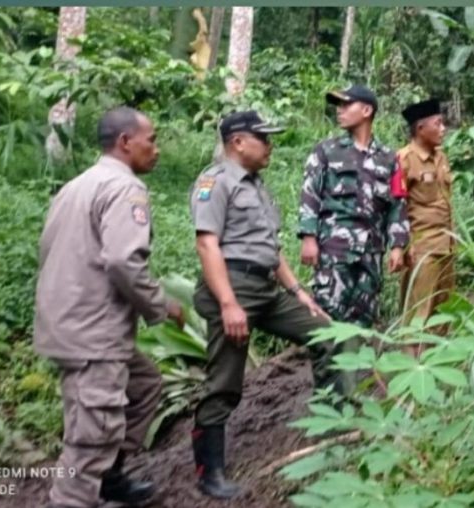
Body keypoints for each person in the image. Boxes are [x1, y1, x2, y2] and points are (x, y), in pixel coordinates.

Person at [34, 106, 185, 508]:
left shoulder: (77, 185)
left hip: (69, 324)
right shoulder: (124, 189)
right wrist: (160, 305)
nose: (156, 149)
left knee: (144, 384)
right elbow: (122, 260)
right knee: (92, 436)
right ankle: (77, 495)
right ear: (125, 143)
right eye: (150, 140)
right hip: (93, 334)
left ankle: (108, 478)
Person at [189, 111, 334, 499]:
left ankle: (331, 420)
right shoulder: (216, 182)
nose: (270, 145)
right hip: (234, 286)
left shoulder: (255, 185)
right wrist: (228, 303)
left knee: (326, 333)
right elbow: (207, 244)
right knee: (224, 381)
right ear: (238, 142)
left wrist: (297, 291)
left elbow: (271, 246)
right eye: (263, 138)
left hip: (267, 287)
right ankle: (209, 472)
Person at [298, 85, 409, 352]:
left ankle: (356, 384)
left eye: (346, 105)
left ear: (367, 110)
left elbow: (397, 203)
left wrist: (397, 246)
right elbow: (310, 194)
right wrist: (308, 238)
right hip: (334, 251)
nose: (340, 111)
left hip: (370, 254)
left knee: (364, 321)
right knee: (327, 321)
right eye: (339, 106)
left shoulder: (388, 158)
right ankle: (328, 388)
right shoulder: (327, 151)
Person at [396, 99, 455, 352]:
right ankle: (409, 369)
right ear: (420, 128)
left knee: (443, 309)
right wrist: (401, 246)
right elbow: (397, 205)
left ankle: (436, 366)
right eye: (438, 124)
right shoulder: (403, 159)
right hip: (423, 248)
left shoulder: (441, 157)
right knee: (418, 311)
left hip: (447, 244)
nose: (443, 129)